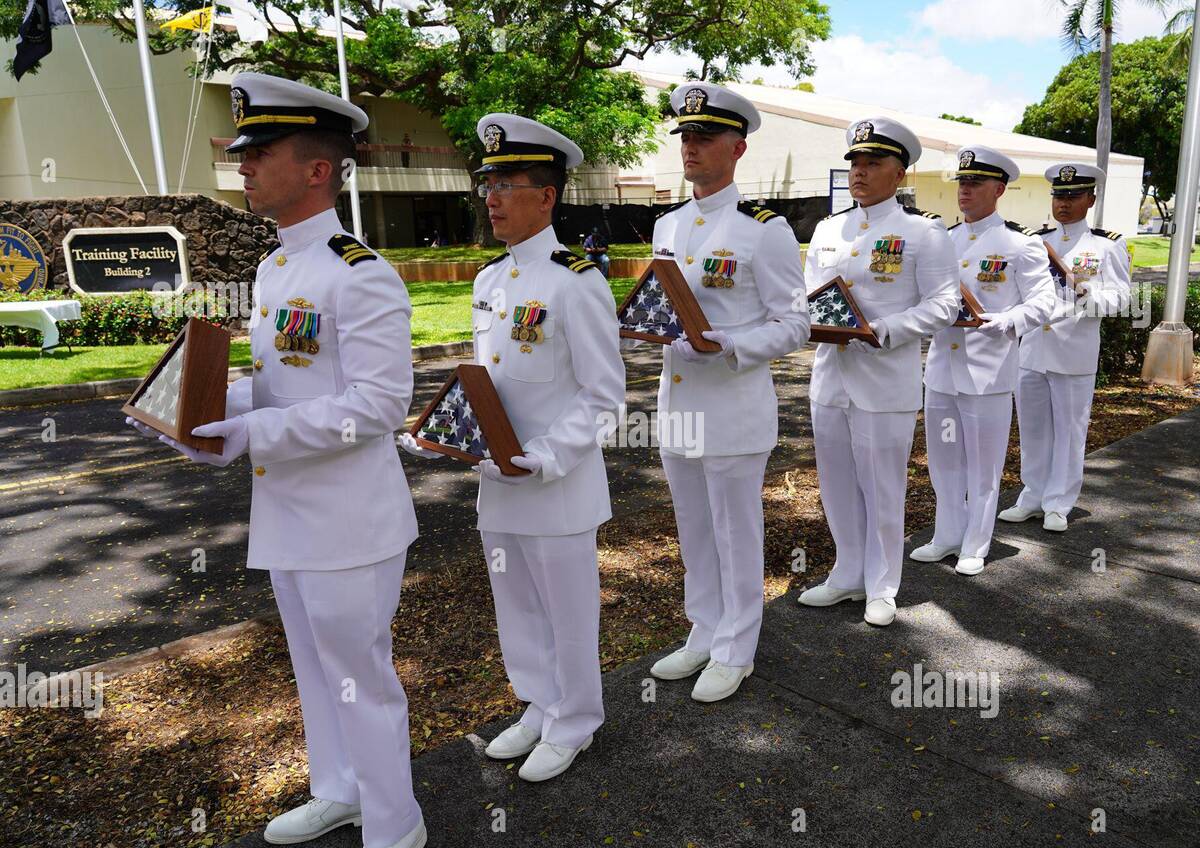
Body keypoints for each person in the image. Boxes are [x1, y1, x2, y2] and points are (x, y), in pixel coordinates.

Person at [126, 73, 424, 848]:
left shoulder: (359, 272)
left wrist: (257, 429)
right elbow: (285, 382)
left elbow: (379, 404)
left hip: (350, 520)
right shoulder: (274, 270)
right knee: (314, 667)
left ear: (318, 168)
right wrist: (212, 407)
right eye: (242, 151)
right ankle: (340, 788)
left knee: (361, 673)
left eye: (259, 151)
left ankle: (396, 823)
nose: (243, 164)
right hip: (289, 511)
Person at [399, 114, 624, 782]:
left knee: (567, 611)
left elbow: (604, 395)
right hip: (497, 482)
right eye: (486, 181)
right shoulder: (489, 282)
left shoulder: (574, 280)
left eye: (506, 182)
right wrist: (447, 434)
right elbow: (489, 385)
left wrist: (549, 455)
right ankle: (539, 702)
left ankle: (576, 719)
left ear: (547, 195)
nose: (490, 197)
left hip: (556, 485)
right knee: (517, 607)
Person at [646, 82, 809, 702]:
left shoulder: (762, 230)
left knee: (736, 532)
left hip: (734, 403)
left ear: (737, 147)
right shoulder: (668, 223)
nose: (691, 147)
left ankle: (737, 646)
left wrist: (729, 343)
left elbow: (794, 322)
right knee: (692, 527)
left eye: (705, 137)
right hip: (678, 404)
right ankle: (703, 629)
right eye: (686, 136)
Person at [798, 118, 959, 626]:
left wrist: (885, 329)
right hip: (830, 378)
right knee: (837, 484)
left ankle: (883, 585)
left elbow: (945, 304)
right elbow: (809, 298)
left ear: (900, 172)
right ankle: (847, 573)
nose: (860, 172)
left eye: (873, 163)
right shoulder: (828, 228)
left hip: (885, 378)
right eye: (855, 162)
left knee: (883, 488)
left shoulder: (922, 231)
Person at [909, 145, 1055, 576]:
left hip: (987, 372)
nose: (965, 190)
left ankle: (976, 542)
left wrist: (1008, 319)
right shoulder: (944, 239)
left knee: (983, 467)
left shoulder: (1019, 243)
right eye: (962, 182)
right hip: (941, 369)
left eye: (975, 183)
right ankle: (946, 535)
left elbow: (1043, 302)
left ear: (999, 188)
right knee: (944, 460)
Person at [999, 162, 1131, 532]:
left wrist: (1086, 292)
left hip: (1074, 351)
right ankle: (1032, 494)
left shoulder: (1106, 244)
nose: (1064, 203)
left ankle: (1059, 502)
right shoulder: (1037, 241)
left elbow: (1122, 298)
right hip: (1033, 350)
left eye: (1073, 195)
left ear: (1090, 199)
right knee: (1033, 428)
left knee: (1071, 431)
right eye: (1059, 195)